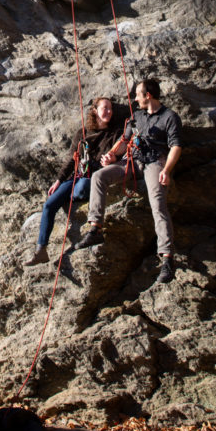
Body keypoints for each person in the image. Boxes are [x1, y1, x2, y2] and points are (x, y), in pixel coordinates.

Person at [72, 77, 182, 284]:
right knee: (99, 176)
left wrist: (167, 170)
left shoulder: (169, 117)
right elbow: (125, 140)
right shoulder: (137, 116)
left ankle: (167, 257)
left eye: (138, 95)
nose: (136, 99)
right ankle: (95, 227)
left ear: (147, 95)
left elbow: (176, 146)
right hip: (132, 160)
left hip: (154, 162)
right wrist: (112, 156)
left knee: (158, 203)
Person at [24, 96, 127, 266]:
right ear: (95, 111)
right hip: (78, 175)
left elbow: (117, 155)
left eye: (110, 108)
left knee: (81, 189)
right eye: (104, 108)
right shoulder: (83, 133)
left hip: (93, 177)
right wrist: (59, 180)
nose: (108, 111)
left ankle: (73, 196)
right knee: (49, 205)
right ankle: (41, 249)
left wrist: (112, 159)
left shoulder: (114, 134)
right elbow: (72, 159)